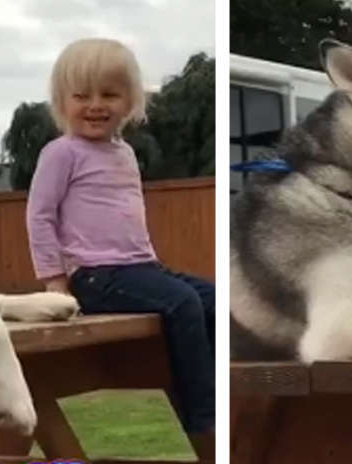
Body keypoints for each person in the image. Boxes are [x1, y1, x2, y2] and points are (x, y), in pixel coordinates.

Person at [25, 38, 215, 448]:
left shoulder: (125, 153)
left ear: (130, 101)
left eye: (109, 94)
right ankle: (204, 419)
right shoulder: (62, 153)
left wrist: (152, 264)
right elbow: (40, 217)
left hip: (141, 267)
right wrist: (55, 281)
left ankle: (225, 393)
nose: (96, 105)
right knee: (182, 303)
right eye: (82, 96)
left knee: (213, 299)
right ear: (62, 101)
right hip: (96, 275)